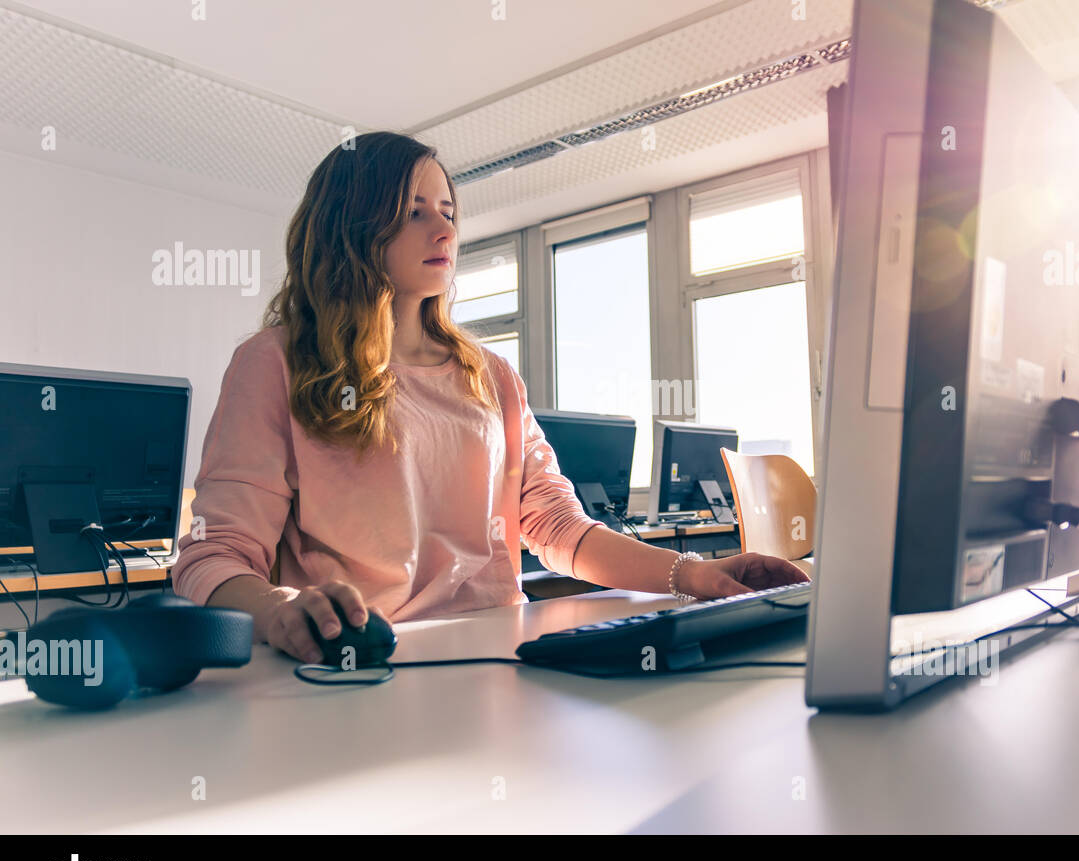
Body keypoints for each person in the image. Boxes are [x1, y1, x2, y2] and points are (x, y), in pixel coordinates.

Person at [171, 131, 807, 664]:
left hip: (497, 653)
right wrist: (277, 611)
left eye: (447, 208)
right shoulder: (276, 363)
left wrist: (693, 574)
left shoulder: (491, 374)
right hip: (366, 663)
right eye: (414, 209)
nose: (442, 226)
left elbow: (559, 529)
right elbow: (213, 554)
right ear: (352, 224)